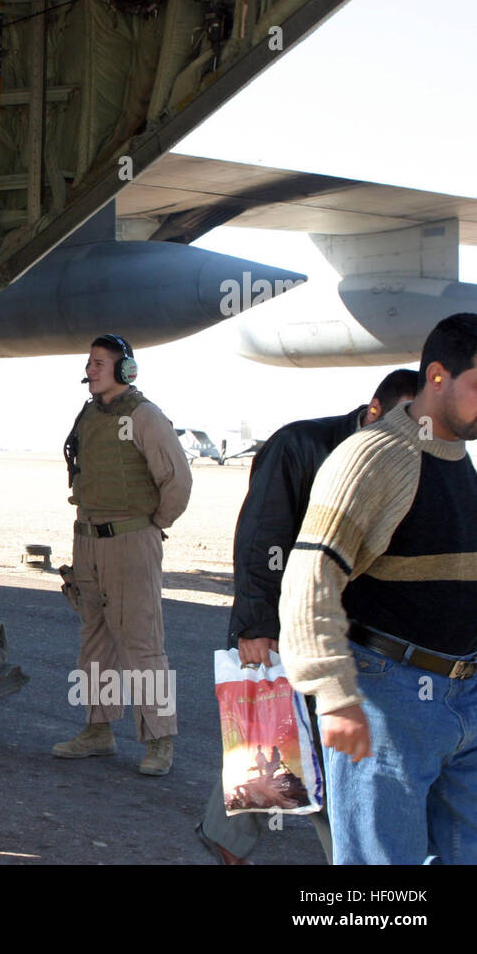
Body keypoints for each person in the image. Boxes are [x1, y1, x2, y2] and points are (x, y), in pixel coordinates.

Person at [195, 368, 418, 864]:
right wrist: (256, 628)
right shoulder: (299, 445)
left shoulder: (405, 461)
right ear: (375, 411)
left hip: (355, 636)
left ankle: (226, 840)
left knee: (279, 747)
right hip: (286, 633)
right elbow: (260, 538)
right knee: (294, 747)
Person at [280, 314, 477, 864]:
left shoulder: (458, 460)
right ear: (437, 376)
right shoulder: (376, 457)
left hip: (464, 696)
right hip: (387, 703)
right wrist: (335, 694)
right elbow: (310, 578)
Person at [52, 334, 192, 775]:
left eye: (99, 362)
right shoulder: (90, 414)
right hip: (88, 540)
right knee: (94, 639)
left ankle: (159, 741)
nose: (90, 369)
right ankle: (98, 730)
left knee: (141, 643)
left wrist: (149, 526)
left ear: (124, 370)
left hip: (131, 542)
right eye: (89, 362)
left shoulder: (146, 416)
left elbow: (178, 483)